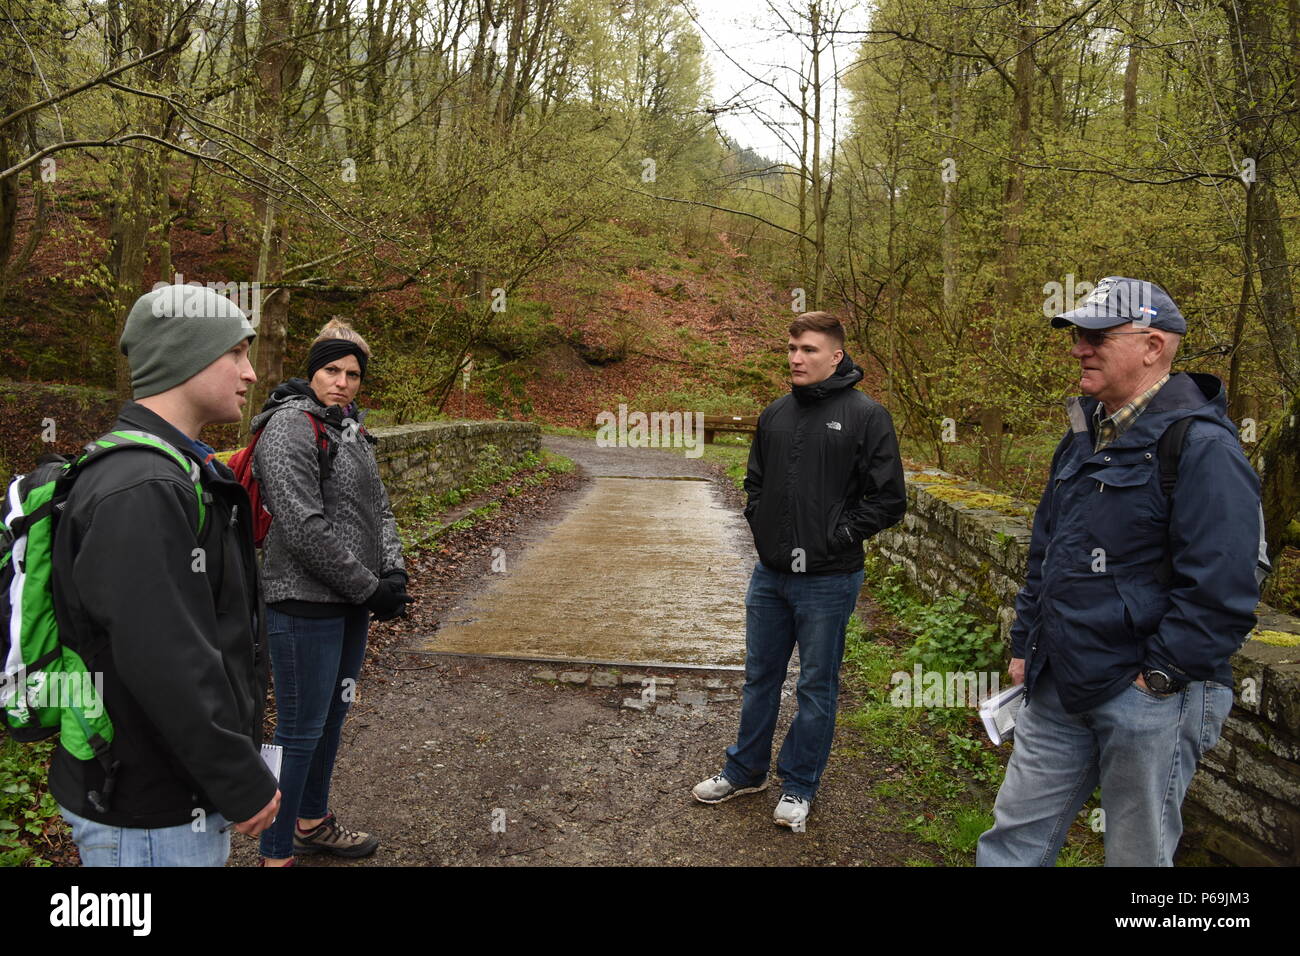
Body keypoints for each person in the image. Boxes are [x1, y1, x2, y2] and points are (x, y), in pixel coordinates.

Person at [977, 276, 1261, 867]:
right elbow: (1047, 552)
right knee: (1011, 841)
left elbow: (1225, 584)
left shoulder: (1203, 447)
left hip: (1151, 696)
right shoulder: (1083, 433)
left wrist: (1160, 677)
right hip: (1060, 677)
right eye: (1077, 334)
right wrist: (1027, 642)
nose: (1079, 347)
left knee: (1137, 857)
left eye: (1096, 335)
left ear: (1153, 345)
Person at [50, 284, 281, 866]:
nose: (250, 373)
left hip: (170, 793)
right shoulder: (143, 488)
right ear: (186, 356)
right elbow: (166, 661)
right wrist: (238, 778)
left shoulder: (174, 470)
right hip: (148, 811)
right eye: (236, 353)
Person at [693, 311, 907, 829]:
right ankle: (745, 770)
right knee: (760, 677)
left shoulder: (866, 416)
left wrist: (834, 537)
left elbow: (888, 499)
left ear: (836, 356)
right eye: (791, 348)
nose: (795, 357)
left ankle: (799, 784)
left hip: (829, 578)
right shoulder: (775, 413)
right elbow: (756, 483)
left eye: (808, 349)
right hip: (770, 576)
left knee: (816, 685)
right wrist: (762, 528)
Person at [252, 319, 409, 866]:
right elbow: (301, 525)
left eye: (352, 374)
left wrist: (394, 573)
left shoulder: (349, 428)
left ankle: (312, 822)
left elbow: (379, 507)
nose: (342, 382)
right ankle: (275, 853)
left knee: (332, 718)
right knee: (298, 729)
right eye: (331, 370)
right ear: (313, 371)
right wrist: (370, 588)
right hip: (301, 602)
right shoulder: (289, 427)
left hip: (350, 604)